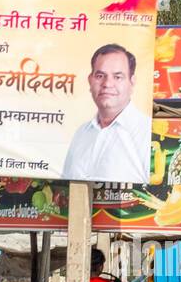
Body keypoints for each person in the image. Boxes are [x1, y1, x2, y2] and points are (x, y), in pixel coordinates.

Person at [63, 44, 151, 183]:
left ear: (132, 82)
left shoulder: (147, 132)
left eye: (117, 77)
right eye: (100, 76)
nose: (107, 84)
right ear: (90, 80)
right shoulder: (81, 133)